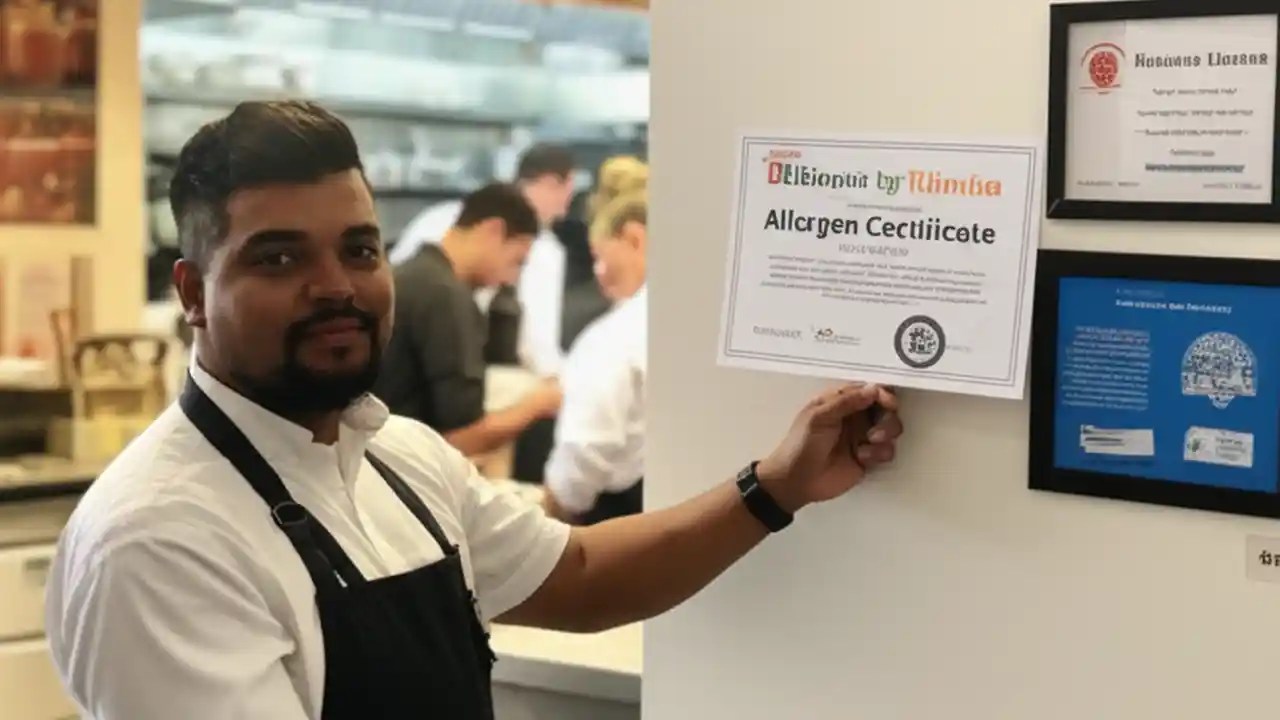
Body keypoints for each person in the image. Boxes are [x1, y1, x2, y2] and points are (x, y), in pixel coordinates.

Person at [43, 101, 904, 720]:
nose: (337, 286)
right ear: (193, 291)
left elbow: (581, 577)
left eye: (359, 248)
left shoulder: (400, 460)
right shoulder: (158, 540)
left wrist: (777, 487)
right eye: (278, 258)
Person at [373, 182, 561, 458]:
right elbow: (460, 440)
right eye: (517, 261)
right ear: (493, 231)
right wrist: (539, 404)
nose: (511, 279)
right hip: (403, 467)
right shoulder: (446, 298)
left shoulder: (407, 276)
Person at [388, 143, 576, 379]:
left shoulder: (436, 216)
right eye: (569, 192)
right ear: (552, 183)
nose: (564, 212)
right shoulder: (543, 249)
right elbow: (537, 350)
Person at [543, 190, 649, 524]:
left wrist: (552, 510)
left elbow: (585, 451)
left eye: (601, 256)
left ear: (635, 238)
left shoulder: (616, 336)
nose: (600, 273)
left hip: (618, 521)